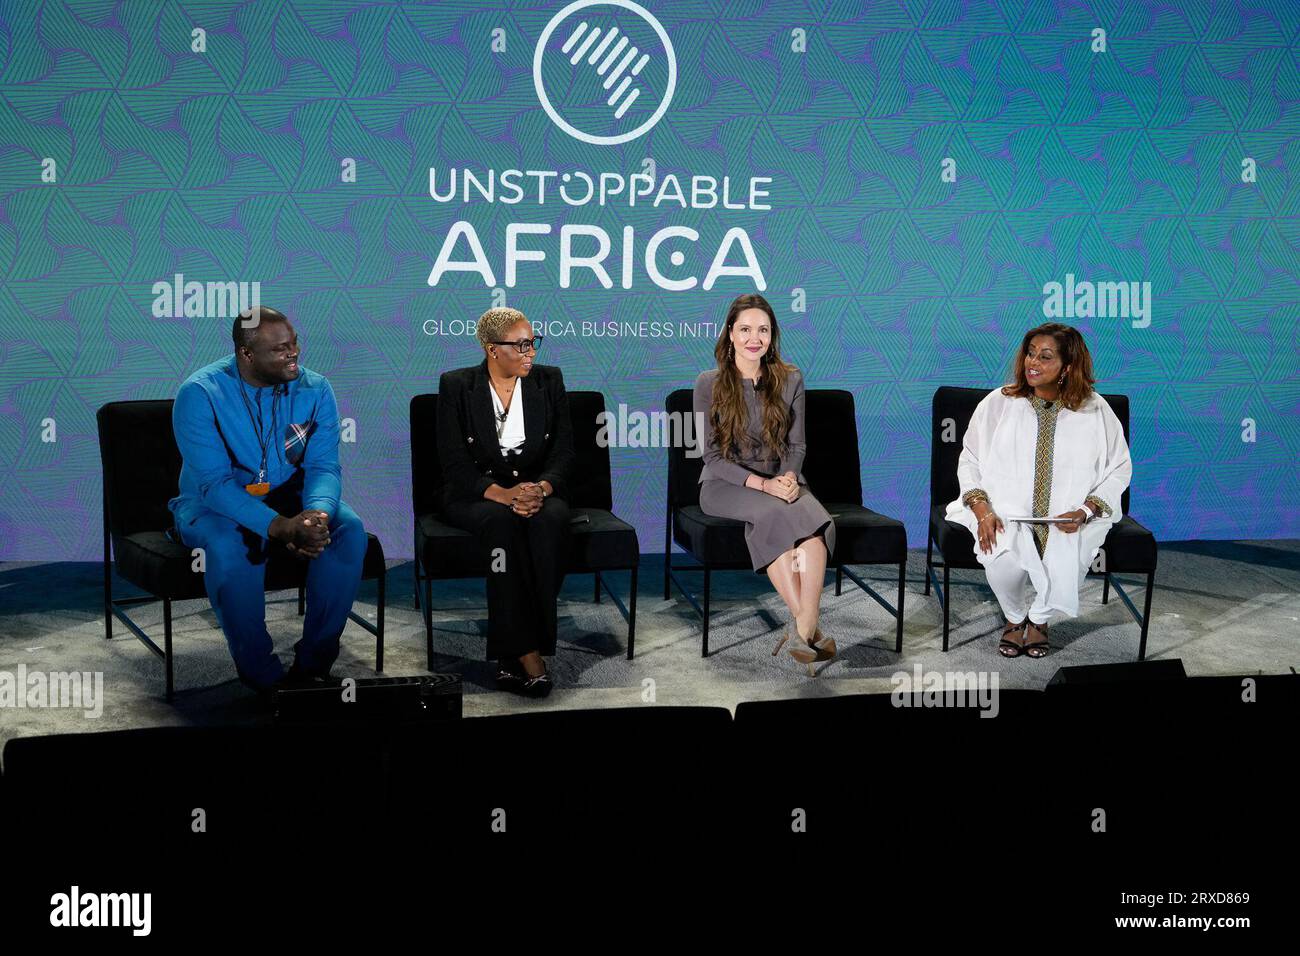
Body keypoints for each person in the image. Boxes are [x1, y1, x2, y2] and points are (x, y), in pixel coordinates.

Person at [169, 306, 368, 694]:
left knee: (349, 531)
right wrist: (279, 527)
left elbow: (323, 467)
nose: (293, 354)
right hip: (213, 504)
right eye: (279, 349)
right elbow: (214, 485)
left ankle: (313, 666)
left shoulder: (315, 388)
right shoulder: (200, 393)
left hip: (290, 497)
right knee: (229, 545)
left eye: (294, 343)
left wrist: (316, 514)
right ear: (246, 354)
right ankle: (262, 676)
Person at [945, 323, 1132, 658]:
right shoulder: (999, 402)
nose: (1032, 362)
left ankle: (1040, 620)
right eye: (1030, 353)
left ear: (1068, 367)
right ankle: (1016, 617)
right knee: (1000, 559)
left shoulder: (1095, 410)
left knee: (1072, 555)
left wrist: (1085, 511)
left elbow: (1119, 468)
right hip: (1004, 511)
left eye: (1045, 357)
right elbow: (969, 459)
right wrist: (982, 510)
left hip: (1067, 517)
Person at [693, 293, 837, 675]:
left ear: (772, 336)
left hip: (782, 479)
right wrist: (762, 485)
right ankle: (810, 629)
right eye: (745, 329)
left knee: (815, 526)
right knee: (774, 513)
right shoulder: (707, 384)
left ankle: (801, 629)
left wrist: (787, 478)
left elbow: (797, 445)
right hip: (725, 485)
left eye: (763, 330)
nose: (754, 338)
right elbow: (711, 457)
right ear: (730, 333)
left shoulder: (791, 378)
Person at [437, 307, 575, 697]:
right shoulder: (457, 385)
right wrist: (503, 494)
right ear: (492, 349)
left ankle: (511, 652)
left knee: (549, 522)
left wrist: (541, 489)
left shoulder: (549, 380)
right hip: (478, 493)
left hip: (537, 489)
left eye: (533, 343)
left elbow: (564, 452)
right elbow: (453, 463)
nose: (531, 352)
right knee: (502, 525)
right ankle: (528, 654)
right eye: (521, 345)